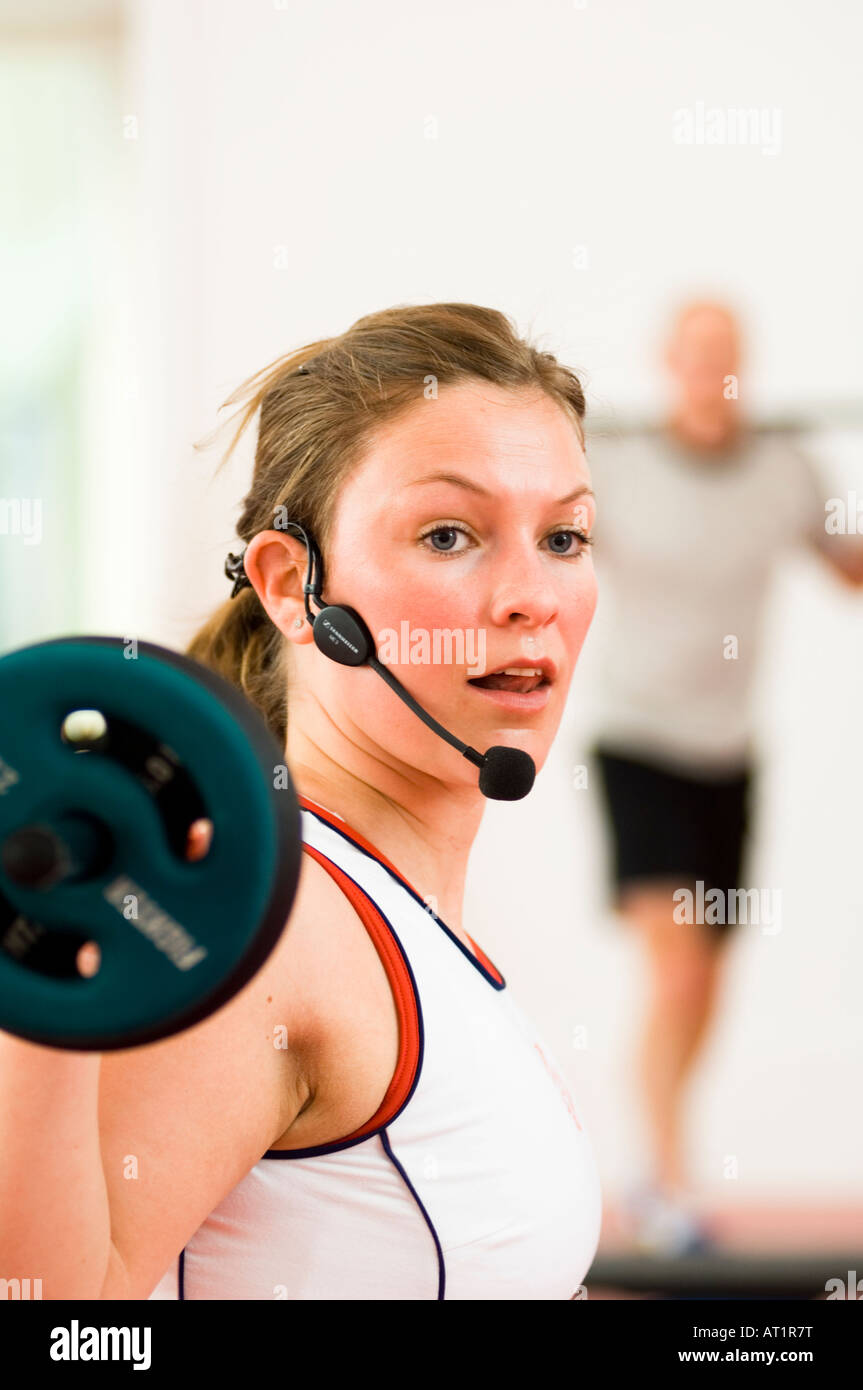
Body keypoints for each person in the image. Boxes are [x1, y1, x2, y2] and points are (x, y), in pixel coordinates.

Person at [0, 303, 603, 1300]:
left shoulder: (400, 912)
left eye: (563, 537)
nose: (528, 595)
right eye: (449, 533)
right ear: (292, 586)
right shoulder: (280, 935)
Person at [585, 298, 863, 1254]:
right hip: (635, 745)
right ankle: (666, 1183)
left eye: (728, 356)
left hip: (728, 757)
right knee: (674, 973)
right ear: (668, 362)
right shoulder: (612, 469)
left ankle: (657, 1165)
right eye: (695, 355)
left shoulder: (788, 471)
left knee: (705, 989)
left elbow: (847, 569)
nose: (713, 373)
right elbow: (536, 546)